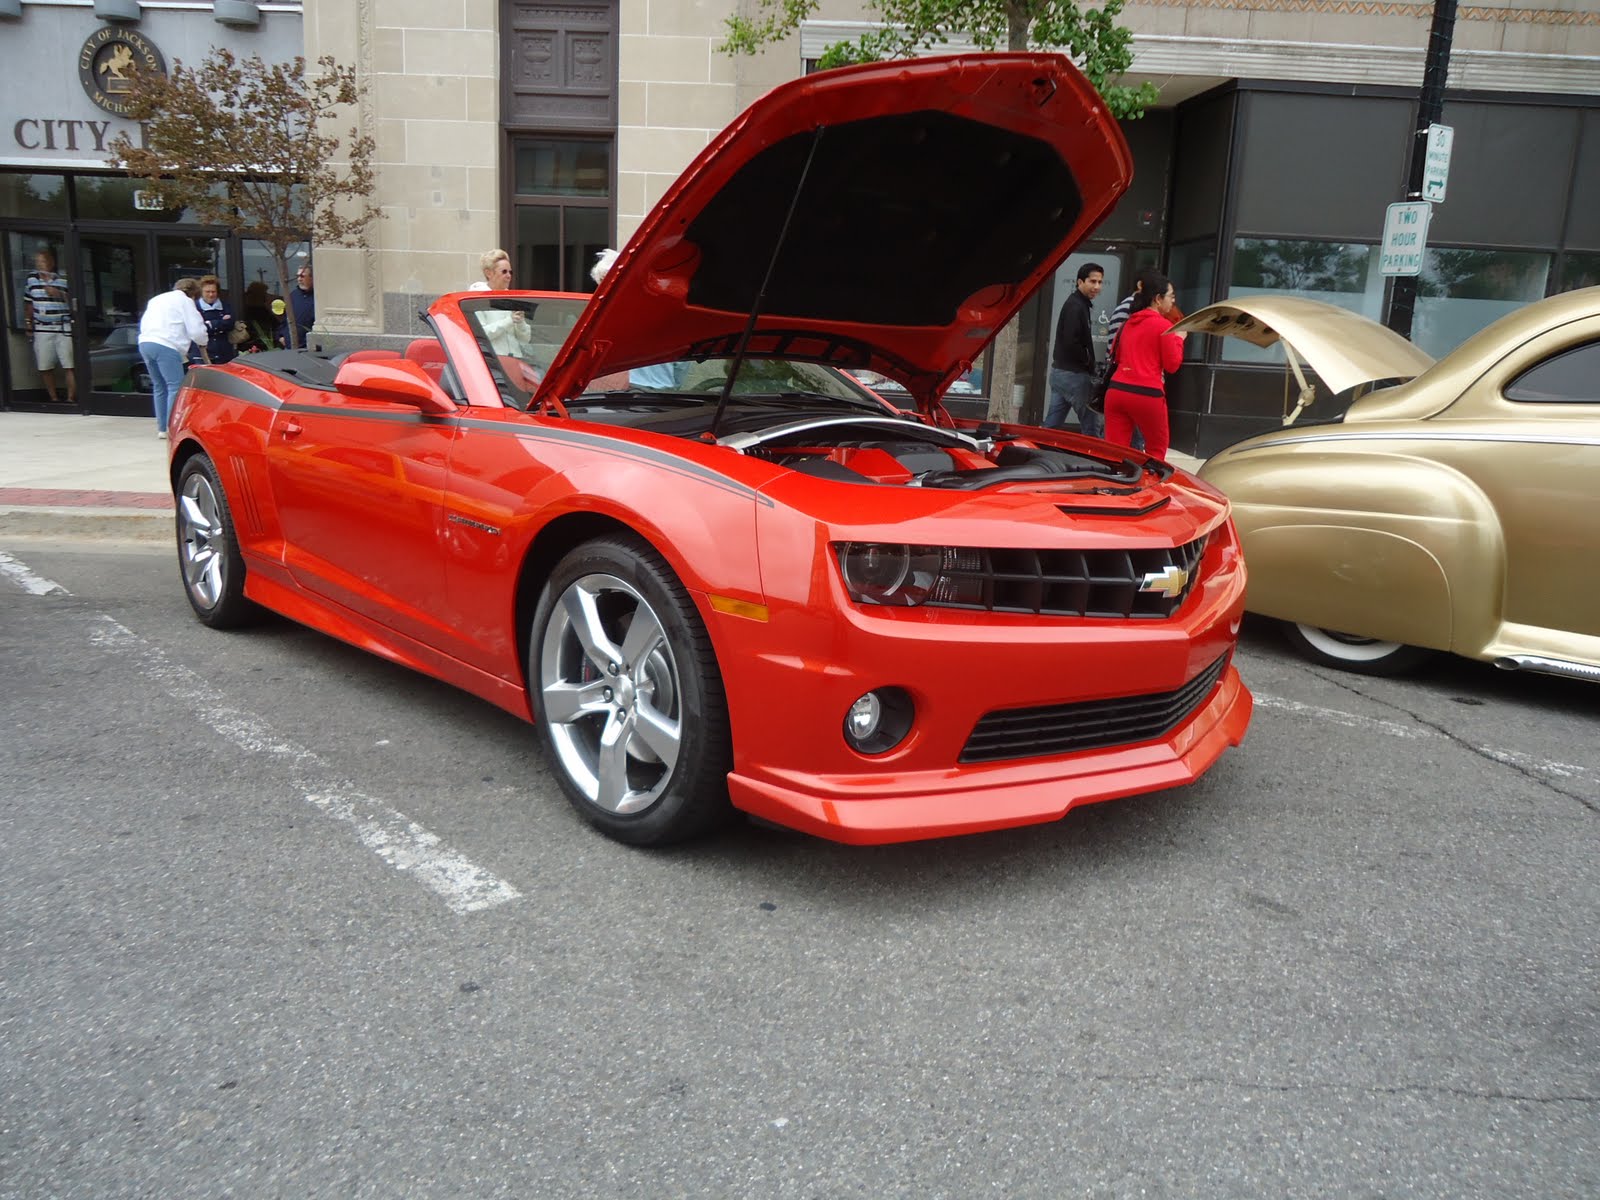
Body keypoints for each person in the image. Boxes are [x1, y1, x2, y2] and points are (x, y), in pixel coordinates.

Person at [1103, 272, 1185, 462]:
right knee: (1156, 451)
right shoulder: (1164, 326)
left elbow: (1116, 354)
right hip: (1147, 393)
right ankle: (1149, 489)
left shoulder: (1127, 323)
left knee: (1114, 453)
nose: (1173, 301)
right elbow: (1172, 365)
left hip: (1117, 391)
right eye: (1171, 296)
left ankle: (1113, 486)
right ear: (1158, 299)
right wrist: (1179, 340)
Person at [138, 278, 210, 438]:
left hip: (145, 342)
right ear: (193, 294)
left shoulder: (156, 299)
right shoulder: (185, 301)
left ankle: (162, 428)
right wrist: (203, 342)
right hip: (167, 344)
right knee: (174, 387)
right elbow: (196, 330)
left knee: (159, 386)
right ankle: (173, 428)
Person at [1044, 261, 1103, 434]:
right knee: (1092, 427)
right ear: (1080, 282)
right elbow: (1071, 342)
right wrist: (1087, 362)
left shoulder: (1077, 304)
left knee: (1051, 426)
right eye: (1092, 281)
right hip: (1074, 376)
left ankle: (1036, 451)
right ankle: (1095, 459)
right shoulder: (1076, 306)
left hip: (1060, 373)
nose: (1097, 286)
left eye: (1100, 282)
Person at [23, 248, 76, 405]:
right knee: (45, 365)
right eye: (37, 262)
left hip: (62, 325)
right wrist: (28, 323)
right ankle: (53, 398)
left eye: (43, 261)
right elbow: (28, 303)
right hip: (42, 326)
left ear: (51, 263)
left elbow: (74, 301)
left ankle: (71, 398)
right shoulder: (31, 280)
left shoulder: (63, 279)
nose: (40, 265)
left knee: (69, 363)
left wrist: (58, 293)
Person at [467, 247, 535, 358]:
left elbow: (525, 339)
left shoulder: (511, 298)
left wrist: (520, 322)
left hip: (515, 360)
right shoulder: (477, 298)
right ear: (489, 273)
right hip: (493, 361)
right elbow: (481, 334)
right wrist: (509, 321)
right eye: (504, 271)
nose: (509, 276)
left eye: (510, 272)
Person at [192, 274, 239, 366]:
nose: (210, 295)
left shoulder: (225, 306)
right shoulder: (193, 307)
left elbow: (230, 324)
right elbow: (196, 329)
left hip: (224, 353)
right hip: (201, 354)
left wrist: (209, 324)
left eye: (213, 291)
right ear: (201, 292)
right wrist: (220, 322)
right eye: (207, 291)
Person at [276, 264, 314, 348]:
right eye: (297, 276)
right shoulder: (293, 295)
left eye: (302, 276)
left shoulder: (318, 298)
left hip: (308, 347)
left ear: (312, 278)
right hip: (289, 346)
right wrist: (281, 336)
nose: (299, 279)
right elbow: (285, 318)